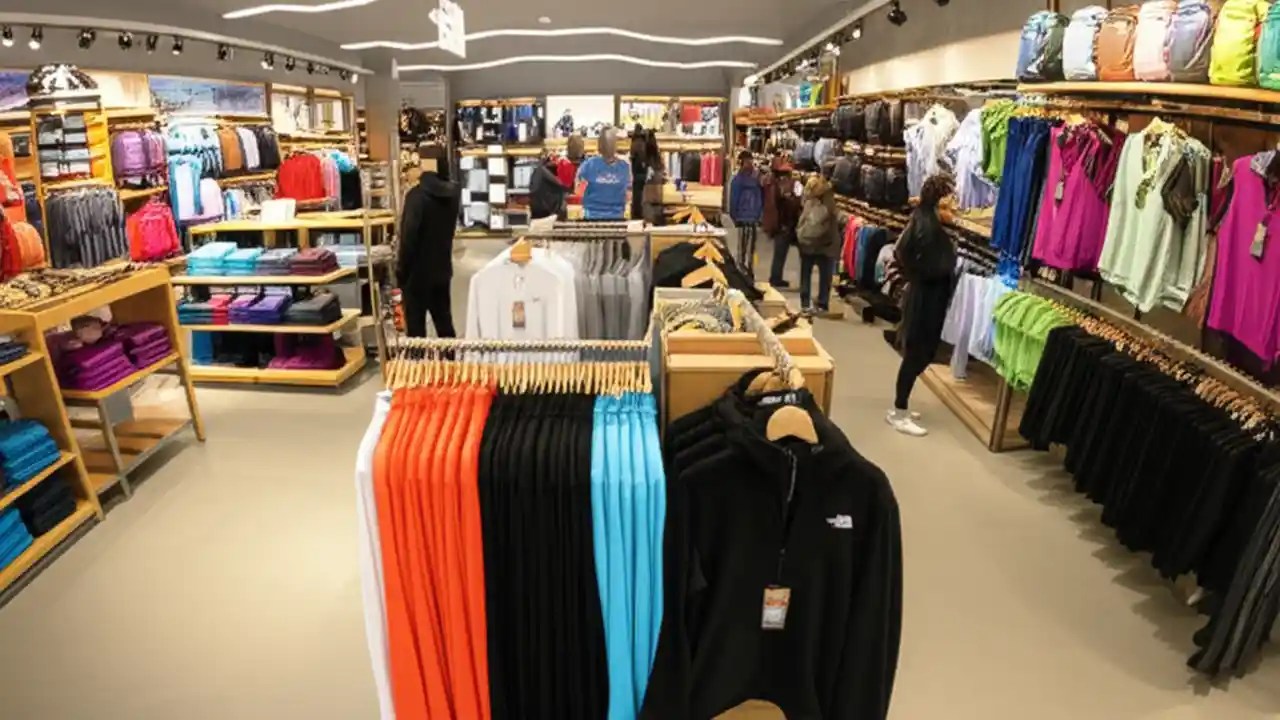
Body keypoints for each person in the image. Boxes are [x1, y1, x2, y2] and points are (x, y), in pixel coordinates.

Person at [887, 173, 957, 436]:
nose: (953, 200)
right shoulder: (926, 224)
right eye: (949, 195)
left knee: (919, 352)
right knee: (917, 353)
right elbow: (901, 252)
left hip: (926, 294)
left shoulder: (926, 219)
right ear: (939, 197)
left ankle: (900, 406)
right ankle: (899, 411)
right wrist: (919, 275)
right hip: (924, 298)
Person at [397, 144, 460, 338]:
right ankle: (451, 365)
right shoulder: (452, 195)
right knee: (444, 324)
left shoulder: (416, 197)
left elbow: (409, 238)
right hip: (441, 270)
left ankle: (419, 368)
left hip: (416, 275)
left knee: (416, 331)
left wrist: (401, 271)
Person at [794, 174, 840, 313]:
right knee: (825, 276)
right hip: (825, 245)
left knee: (805, 274)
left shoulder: (807, 202)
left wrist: (799, 235)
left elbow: (801, 222)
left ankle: (805, 302)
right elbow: (837, 219)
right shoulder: (829, 203)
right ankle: (822, 303)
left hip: (807, 244)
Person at [576, 127, 631, 220]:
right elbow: (628, 196)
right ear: (615, 146)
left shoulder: (588, 165)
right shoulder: (625, 167)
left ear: (599, 144)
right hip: (617, 218)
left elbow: (578, 191)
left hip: (592, 218)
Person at [762, 156, 799, 287]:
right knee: (780, 253)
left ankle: (776, 277)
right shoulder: (782, 186)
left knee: (779, 253)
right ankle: (775, 278)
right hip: (784, 224)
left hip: (777, 223)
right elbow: (788, 205)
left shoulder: (770, 183)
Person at [728, 150, 763, 274]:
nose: (750, 164)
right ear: (742, 163)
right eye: (747, 162)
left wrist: (759, 215)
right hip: (743, 218)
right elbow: (733, 199)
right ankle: (743, 270)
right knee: (743, 247)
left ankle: (748, 270)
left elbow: (759, 198)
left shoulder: (754, 180)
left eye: (751, 161)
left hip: (751, 218)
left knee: (750, 249)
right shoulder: (739, 180)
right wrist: (734, 216)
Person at [529, 150, 568, 220]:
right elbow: (561, 184)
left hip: (538, 211)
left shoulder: (538, 170)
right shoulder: (542, 170)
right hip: (545, 213)